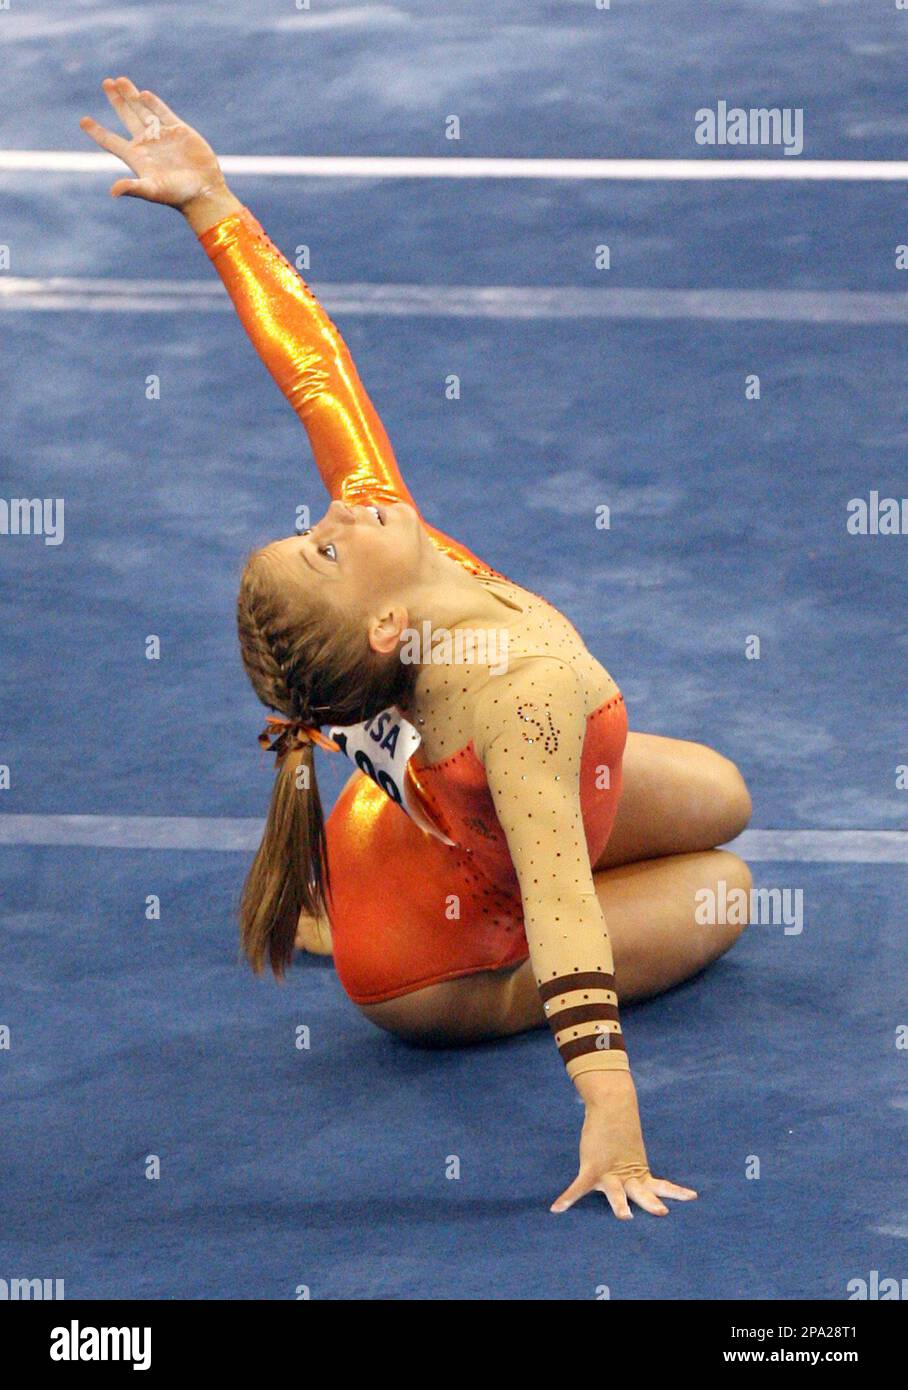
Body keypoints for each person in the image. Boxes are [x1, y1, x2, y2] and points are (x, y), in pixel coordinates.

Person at [80, 78, 754, 1219]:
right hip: (432, 951)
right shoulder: (517, 700)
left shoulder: (379, 545)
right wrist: (609, 1102)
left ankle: (343, 875)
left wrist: (214, 207)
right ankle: (369, 931)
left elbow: (310, 365)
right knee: (725, 894)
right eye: (327, 551)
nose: (336, 517)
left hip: (437, 816)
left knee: (724, 798)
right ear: (388, 628)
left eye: (314, 530)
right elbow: (559, 905)